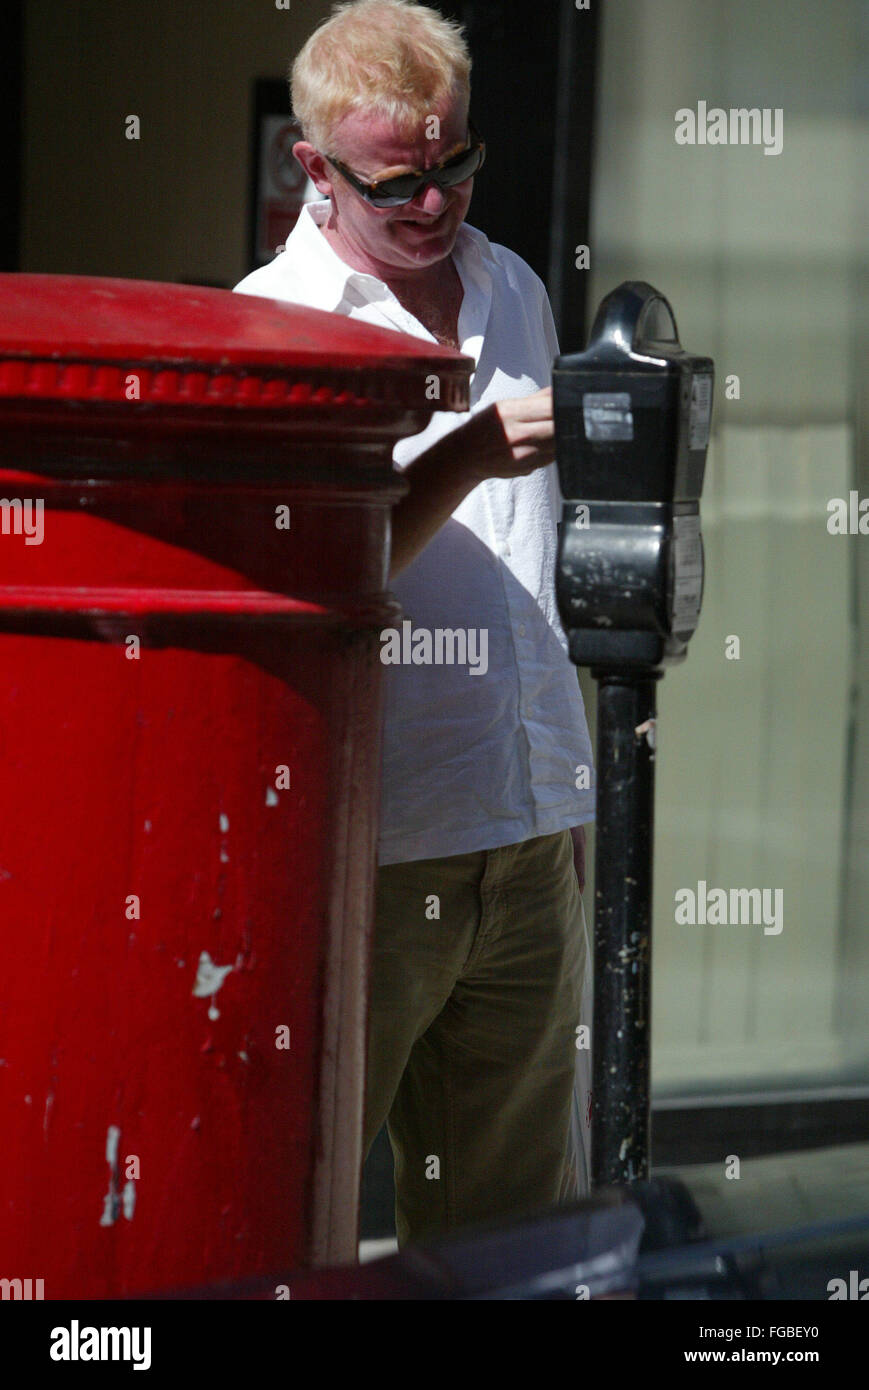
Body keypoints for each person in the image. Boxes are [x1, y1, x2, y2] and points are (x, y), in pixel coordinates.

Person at [234, 0, 595, 1247]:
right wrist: (464, 458)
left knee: (514, 1231)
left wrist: (565, 803)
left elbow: (533, 567)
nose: (434, 202)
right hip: (371, 849)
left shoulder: (513, 285)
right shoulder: (274, 327)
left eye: (455, 163)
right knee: (304, 1206)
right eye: (397, 181)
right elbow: (302, 588)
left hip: (526, 829)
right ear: (313, 167)